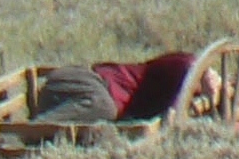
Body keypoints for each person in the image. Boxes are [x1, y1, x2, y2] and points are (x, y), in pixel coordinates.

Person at [36, 52, 221, 123]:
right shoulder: (178, 70)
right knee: (106, 108)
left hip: (69, 99)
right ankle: (31, 130)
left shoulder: (177, 93)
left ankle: (41, 134)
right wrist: (204, 72)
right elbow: (186, 63)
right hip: (85, 81)